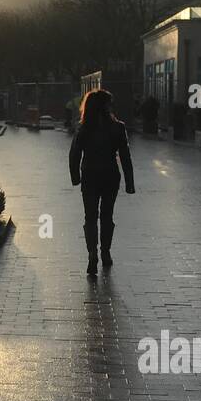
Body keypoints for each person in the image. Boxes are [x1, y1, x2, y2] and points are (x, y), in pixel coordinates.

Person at [68, 89, 135, 276]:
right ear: (106, 106)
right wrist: (130, 182)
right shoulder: (118, 127)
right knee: (107, 215)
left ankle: (92, 255)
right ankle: (105, 252)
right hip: (110, 176)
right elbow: (125, 156)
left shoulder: (83, 128)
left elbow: (74, 154)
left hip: (90, 175)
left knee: (90, 216)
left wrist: (75, 177)